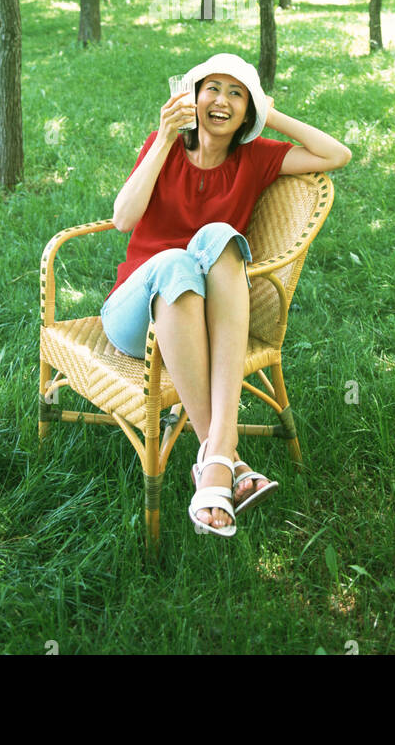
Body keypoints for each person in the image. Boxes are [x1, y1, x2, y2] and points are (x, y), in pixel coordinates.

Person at [100, 52, 351, 537]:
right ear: (191, 98)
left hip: (199, 323)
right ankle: (227, 450)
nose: (222, 100)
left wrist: (270, 113)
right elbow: (123, 219)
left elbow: (335, 155)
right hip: (133, 317)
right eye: (211, 88)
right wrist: (165, 139)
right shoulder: (163, 145)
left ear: (247, 112)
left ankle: (214, 464)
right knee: (175, 261)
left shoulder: (256, 159)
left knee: (219, 234)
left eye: (237, 94)